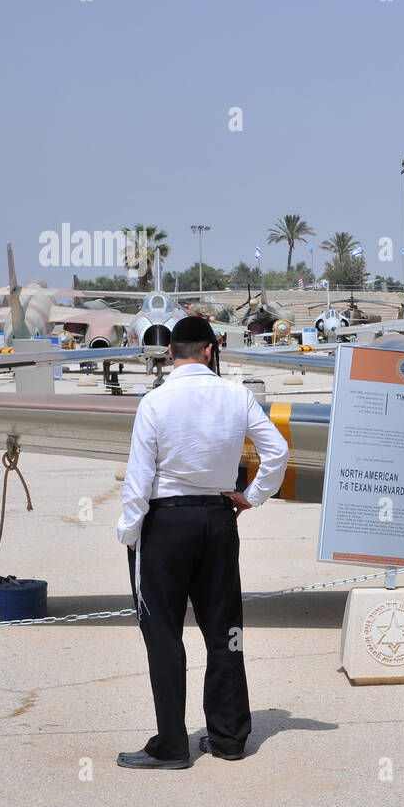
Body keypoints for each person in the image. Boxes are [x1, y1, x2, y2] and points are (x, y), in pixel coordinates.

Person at [115, 315, 289, 769]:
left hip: (166, 524)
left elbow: (138, 480)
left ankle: (173, 744)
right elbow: (278, 451)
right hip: (217, 519)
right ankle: (230, 737)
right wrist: (251, 497)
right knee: (224, 630)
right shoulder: (237, 395)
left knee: (164, 635)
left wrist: (129, 534)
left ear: (170, 351)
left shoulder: (154, 402)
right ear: (211, 350)